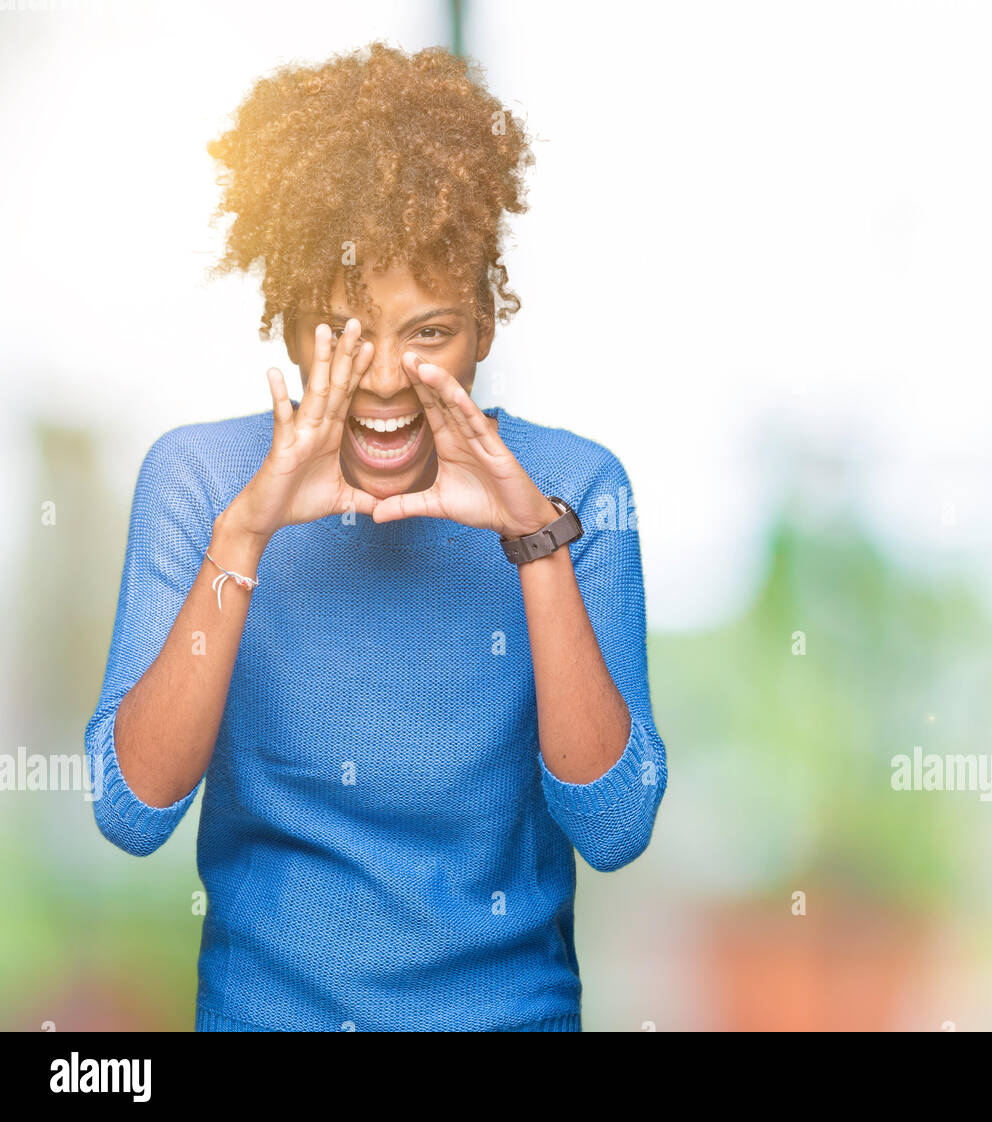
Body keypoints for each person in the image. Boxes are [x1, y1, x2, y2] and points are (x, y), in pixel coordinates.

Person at [83, 41, 668, 1032]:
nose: (387, 378)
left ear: (485, 319)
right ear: (286, 320)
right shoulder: (203, 484)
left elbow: (611, 827)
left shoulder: (574, 489)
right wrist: (245, 539)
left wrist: (533, 542)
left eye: (430, 332)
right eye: (341, 333)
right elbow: (131, 809)